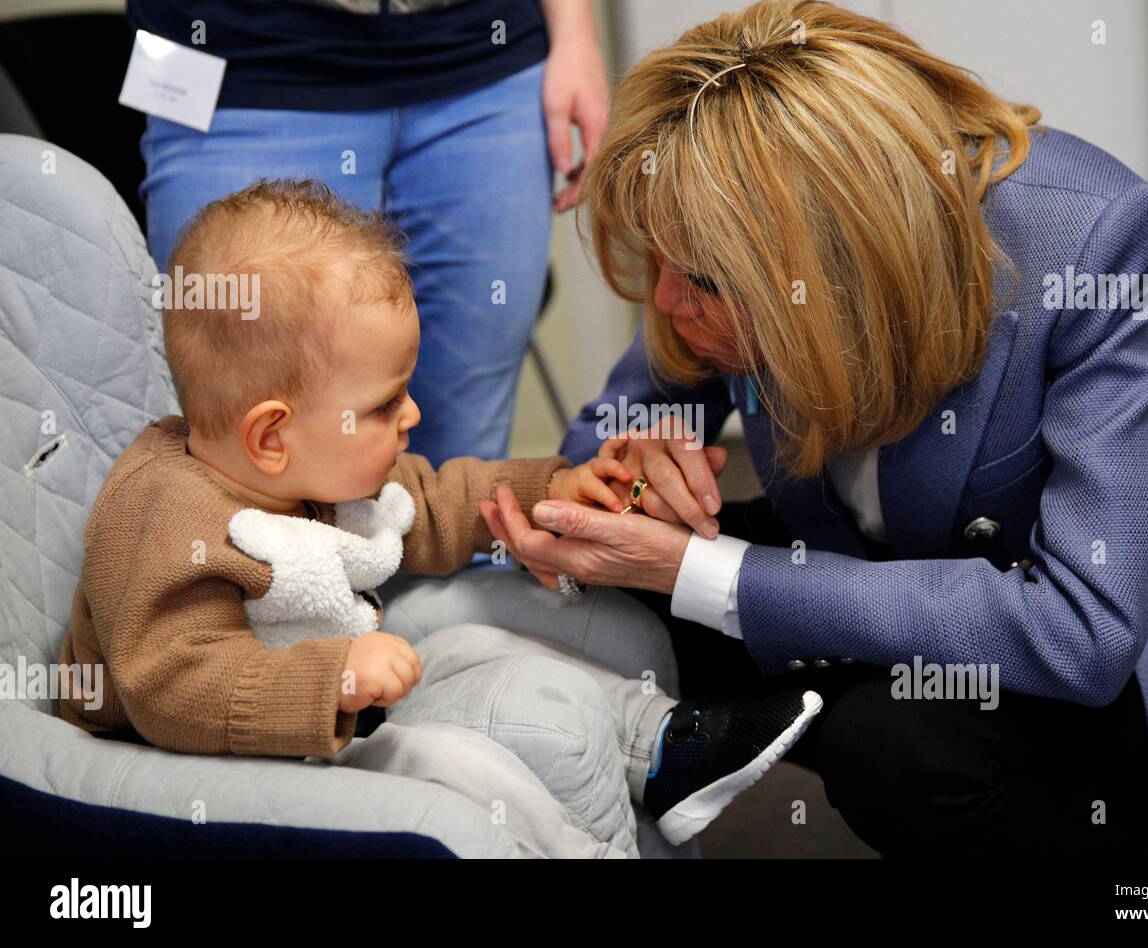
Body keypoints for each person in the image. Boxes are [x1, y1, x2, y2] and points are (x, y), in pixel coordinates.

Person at [481, 0, 1148, 857]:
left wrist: (712, 574)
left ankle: (1119, 841)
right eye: (661, 263)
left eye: (708, 282)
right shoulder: (709, 245)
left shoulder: (1088, 238)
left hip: (1113, 615)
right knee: (592, 586)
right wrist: (622, 472)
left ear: (840, 264)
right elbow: (608, 439)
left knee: (897, 746)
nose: (670, 305)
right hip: (885, 547)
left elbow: (1084, 630)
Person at [56, 179, 821, 852]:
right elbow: (170, 683)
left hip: (341, 695)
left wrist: (559, 486)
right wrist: (331, 680)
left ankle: (657, 744)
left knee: (479, 638)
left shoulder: (305, 468)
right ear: (272, 435)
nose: (413, 413)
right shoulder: (166, 518)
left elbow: (431, 502)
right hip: (201, 760)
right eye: (386, 404)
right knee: (453, 769)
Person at [130, 0, 610, 464]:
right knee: (239, 456)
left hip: (485, 59)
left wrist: (575, 31)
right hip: (234, 60)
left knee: (464, 456)